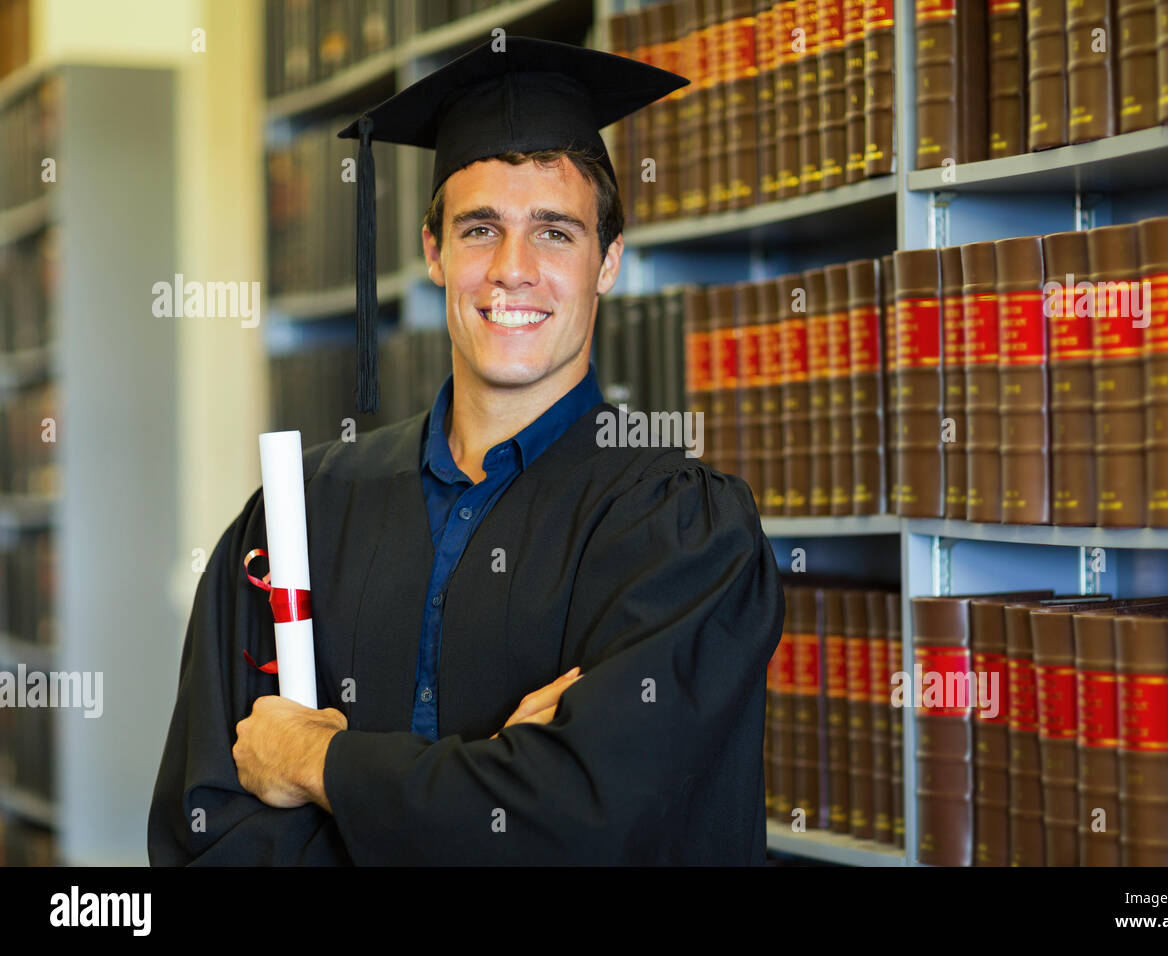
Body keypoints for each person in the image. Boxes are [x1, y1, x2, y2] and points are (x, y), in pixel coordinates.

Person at [148, 35, 784, 865]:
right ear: (434, 252)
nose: (511, 271)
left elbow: (595, 824)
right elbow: (206, 827)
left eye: (555, 233)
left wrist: (318, 762)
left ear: (609, 263)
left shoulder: (684, 534)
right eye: (480, 229)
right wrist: (498, 781)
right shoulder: (298, 514)